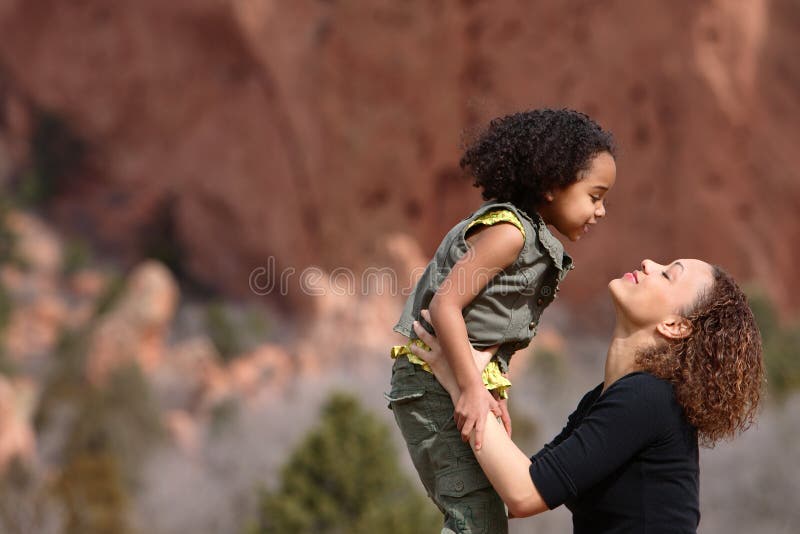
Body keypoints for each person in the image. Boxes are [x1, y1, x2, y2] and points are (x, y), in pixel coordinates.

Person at [408, 259, 764, 533]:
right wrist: (477, 384)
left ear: (675, 326)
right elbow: (519, 487)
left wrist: (461, 381)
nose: (648, 264)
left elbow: (524, 493)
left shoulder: (648, 399)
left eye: (668, 274)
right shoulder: (610, 397)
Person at [386, 108, 616, 533]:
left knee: (486, 515)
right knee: (476, 517)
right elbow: (446, 306)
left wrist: (492, 391)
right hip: (431, 378)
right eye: (595, 196)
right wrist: (473, 391)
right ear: (551, 185)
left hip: (456, 378)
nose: (600, 211)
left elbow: (487, 325)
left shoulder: (528, 236)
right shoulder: (509, 233)